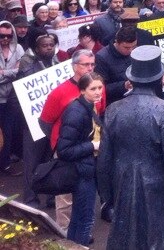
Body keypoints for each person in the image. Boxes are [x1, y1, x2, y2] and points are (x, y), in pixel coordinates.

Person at [97, 45, 164, 250]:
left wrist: (106, 197)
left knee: (126, 236)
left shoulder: (113, 110)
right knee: (156, 237)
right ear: (158, 78)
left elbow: (104, 159)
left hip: (122, 180)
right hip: (156, 185)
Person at [57, 71, 104, 245]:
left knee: (78, 216)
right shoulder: (76, 112)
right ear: (82, 90)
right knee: (85, 219)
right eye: (93, 89)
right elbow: (64, 150)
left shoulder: (90, 106)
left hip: (86, 169)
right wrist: (93, 146)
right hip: (80, 171)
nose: (98, 92)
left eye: (100, 87)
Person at [0, 19, 25, 174]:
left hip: (12, 98)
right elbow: (15, 72)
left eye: (9, 36)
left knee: (9, 132)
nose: (5, 39)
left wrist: (3, 72)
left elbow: (21, 71)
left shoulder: (19, 48)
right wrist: (12, 73)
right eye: (1, 36)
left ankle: (5, 164)